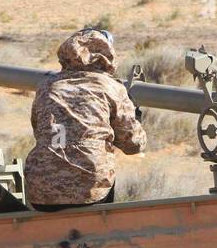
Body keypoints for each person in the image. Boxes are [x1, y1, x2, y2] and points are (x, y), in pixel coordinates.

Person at [25, 28, 146, 211]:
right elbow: (133, 145)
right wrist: (135, 118)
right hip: (91, 191)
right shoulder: (111, 87)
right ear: (106, 53)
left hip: (41, 190)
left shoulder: (46, 86)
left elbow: (41, 131)